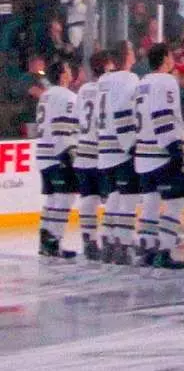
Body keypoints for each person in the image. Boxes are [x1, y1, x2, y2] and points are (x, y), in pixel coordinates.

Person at [131, 43, 184, 269]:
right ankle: (164, 250)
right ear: (165, 59)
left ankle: (147, 248)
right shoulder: (166, 81)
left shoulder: (141, 83)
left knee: (151, 203)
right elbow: (163, 116)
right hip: (160, 153)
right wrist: (174, 149)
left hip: (142, 154)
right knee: (177, 200)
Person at [95, 44, 141, 265]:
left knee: (114, 194)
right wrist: (131, 145)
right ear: (127, 56)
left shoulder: (103, 81)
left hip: (104, 146)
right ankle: (123, 243)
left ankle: (108, 238)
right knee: (128, 197)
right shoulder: (129, 79)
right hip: (121, 146)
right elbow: (124, 112)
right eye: (131, 50)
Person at [34, 58, 78, 259]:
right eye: (68, 69)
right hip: (57, 153)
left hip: (43, 153)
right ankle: (54, 239)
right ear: (62, 75)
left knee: (52, 197)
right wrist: (67, 156)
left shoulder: (46, 96)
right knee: (65, 197)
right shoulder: (67, 96)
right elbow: (62, 128)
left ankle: (45, 238)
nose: (71, 72)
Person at [72, 51, 105, 261]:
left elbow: (76, 118)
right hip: (101, 149)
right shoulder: (107, 87)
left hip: (82, 148)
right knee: (113, 198)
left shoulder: (83, 90)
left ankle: (88, 239)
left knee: (88, 197)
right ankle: (115, 239)